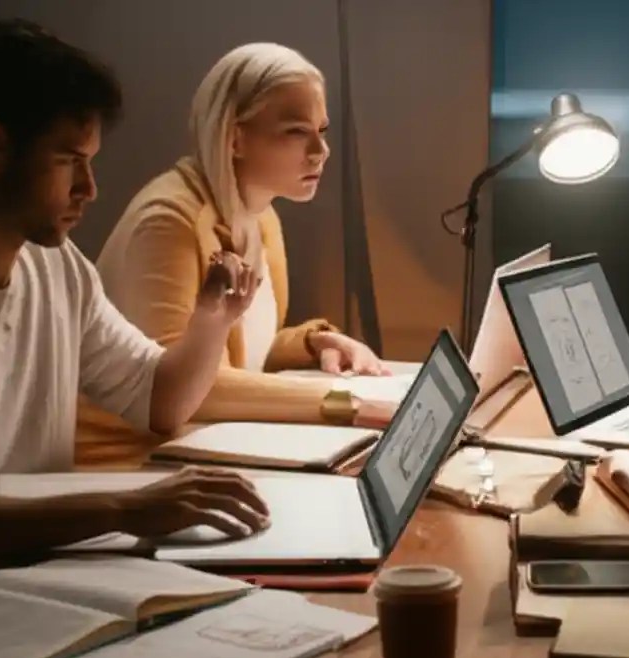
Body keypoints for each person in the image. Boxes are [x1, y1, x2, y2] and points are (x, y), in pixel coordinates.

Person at [0, 20, 270, 582]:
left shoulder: (54, 267)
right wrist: (127, 508)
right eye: (69, 160)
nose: (90, 187)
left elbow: (159, 400)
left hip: (21, 582)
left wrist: (213, 318)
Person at [75, 42, 393, 469]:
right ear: (236, 138)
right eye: (297, 131)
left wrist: (313, 342)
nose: (321, 151)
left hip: (201, 455)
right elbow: (189, 388)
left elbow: (238, 358)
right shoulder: (168, 222)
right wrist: (346, 403)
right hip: (131, 468)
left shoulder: (261, 218)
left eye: (323, 129)